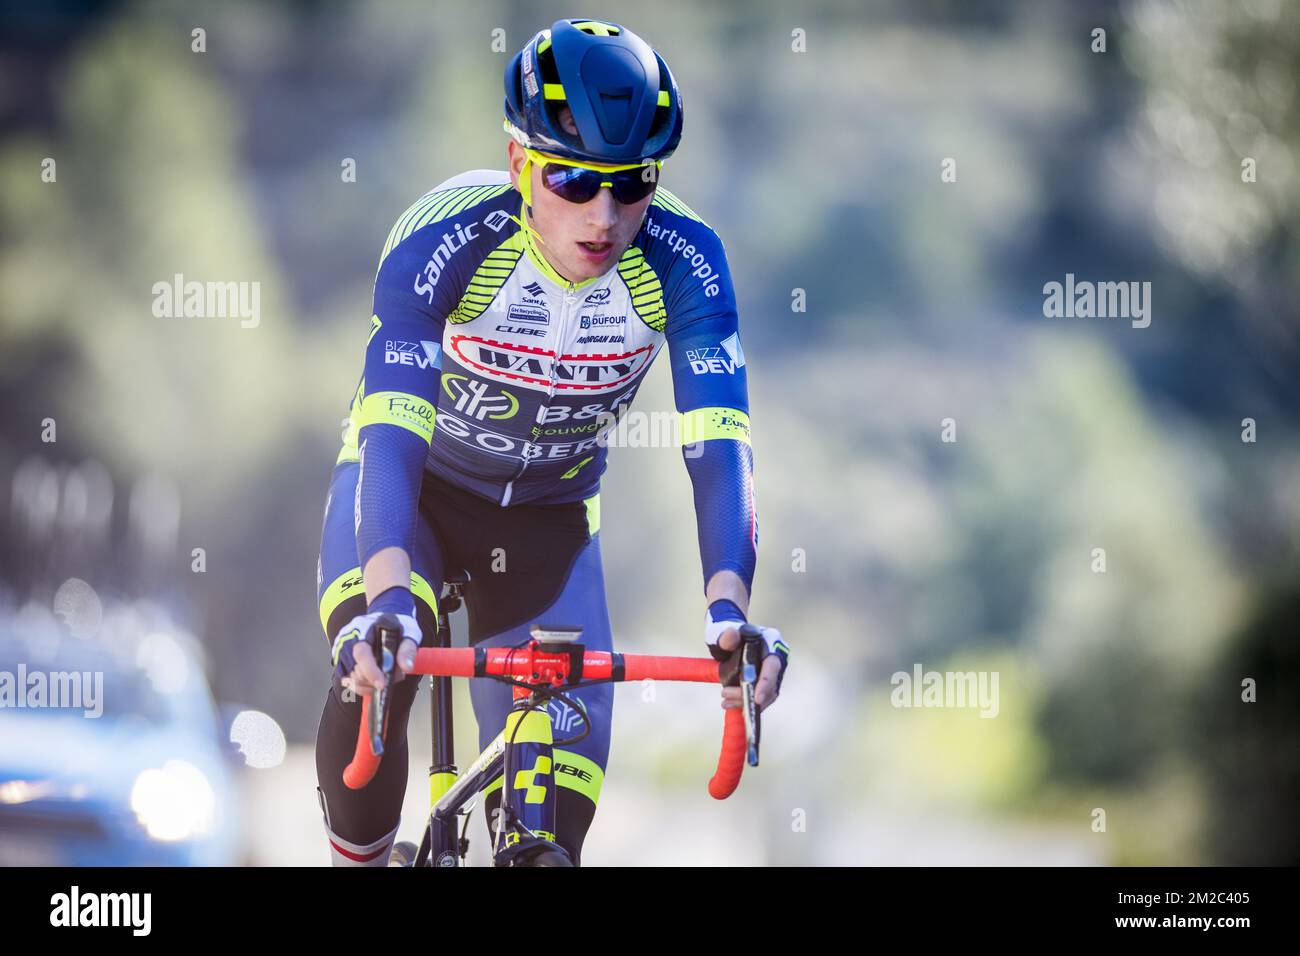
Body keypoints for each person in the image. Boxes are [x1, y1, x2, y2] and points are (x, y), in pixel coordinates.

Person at [313, 17, 788, 867]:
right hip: (411, 501)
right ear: (519, 164)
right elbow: (388, 434)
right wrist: (386, 595)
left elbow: (719, 447)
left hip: (547, 528)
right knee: (372, 692)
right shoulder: (445, 238)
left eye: (631, 182)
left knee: (549, 840)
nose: (605, 216)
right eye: (573, 180)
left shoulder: (687, 262)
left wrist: (730, 612)